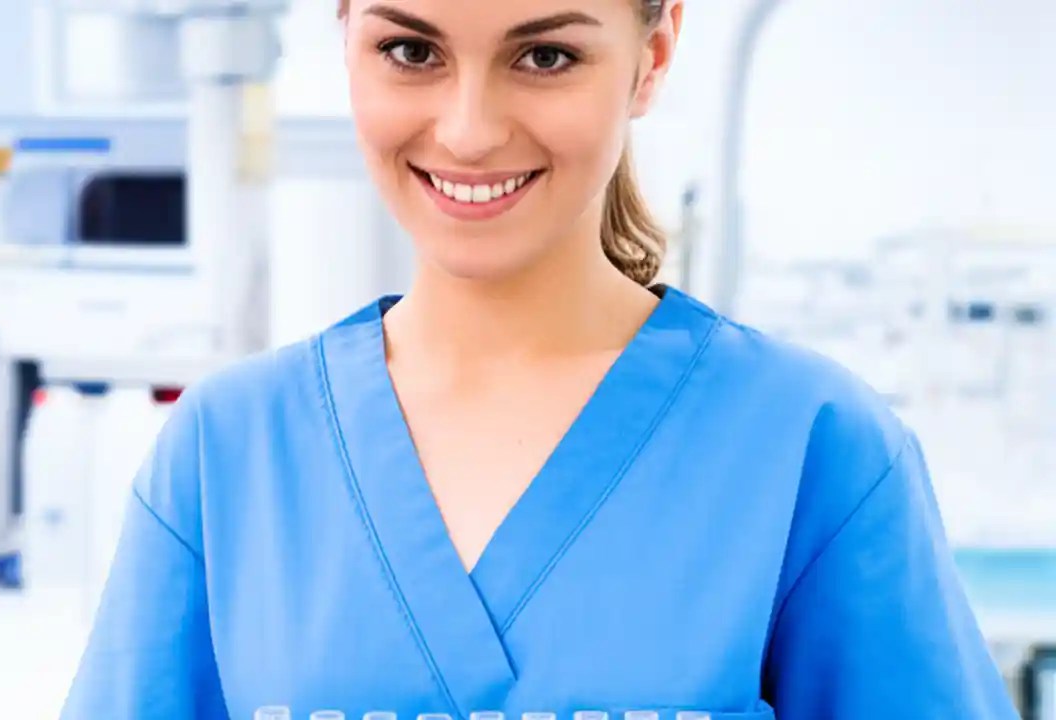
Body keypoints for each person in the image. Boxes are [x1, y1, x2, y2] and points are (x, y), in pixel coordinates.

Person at [60, 1, 1019, 717]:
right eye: (410, 50)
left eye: (546, 55)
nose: (470, 129)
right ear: (345, 38)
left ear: (652, 56)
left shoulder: (812, 449)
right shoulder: (229, 453)